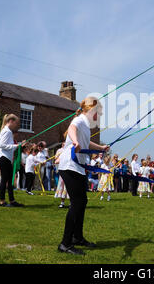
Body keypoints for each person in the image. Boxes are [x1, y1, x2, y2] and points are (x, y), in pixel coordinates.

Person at [57, 96, 109, 255]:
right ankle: (65, 243)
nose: (98, 115)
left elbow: (86, 143)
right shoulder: (79, 120)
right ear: (91, 110)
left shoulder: (86, 126)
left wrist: (100, 147)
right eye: (98, 112)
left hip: (78, 167)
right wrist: (74, 142)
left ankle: (77, 237)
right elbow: (72, 129)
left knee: (82, 201)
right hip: (69, 165)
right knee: (77, 202)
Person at [0, 114, 25, 207]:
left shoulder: (7, 131)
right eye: (16, 123)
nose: (16, 125)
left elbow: (8, 146)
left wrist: (19, 145)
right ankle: (2, 201)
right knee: (5, 179)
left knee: (9, 179)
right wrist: (17, 146)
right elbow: (2, 145)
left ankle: (12, 200)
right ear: (11, 121)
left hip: (6, 158)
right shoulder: (7, 131)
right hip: (3, 158)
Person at [53, 143, 69, 207]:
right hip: (63, 170)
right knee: (62, 186)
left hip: (69, 170)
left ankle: (71, 203)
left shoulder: (69, 151)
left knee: (69, 187)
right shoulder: (60, 151)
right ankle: (62, 203)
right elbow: (56, 160)